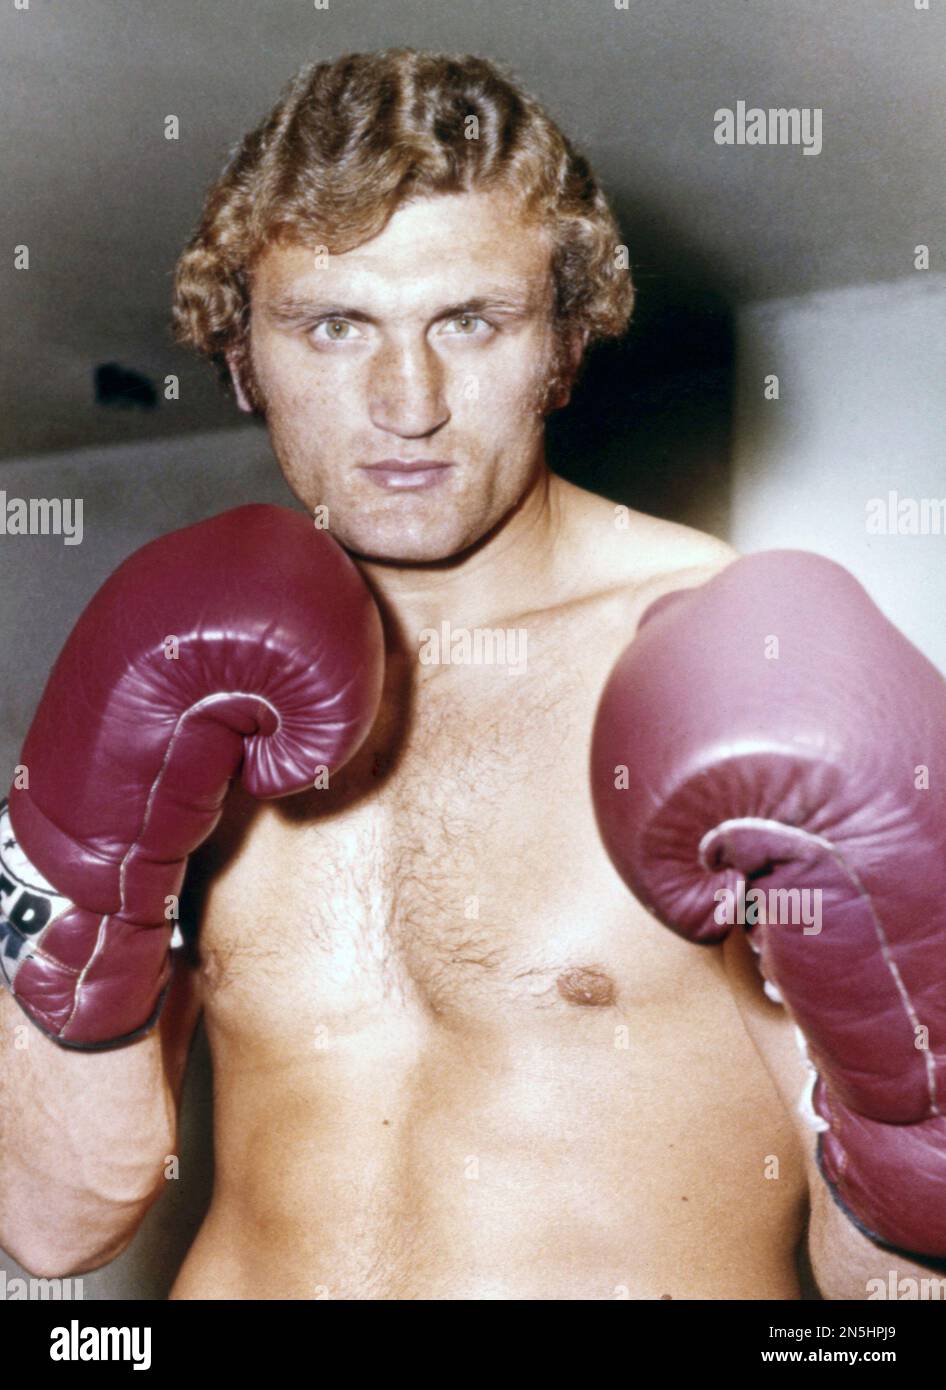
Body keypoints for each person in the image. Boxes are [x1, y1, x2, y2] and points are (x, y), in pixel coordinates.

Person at [2, 47, 944, 1301]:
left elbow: (889, 1299)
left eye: (470, 321)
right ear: (241, 356)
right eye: (333, 325)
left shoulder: (723, 677)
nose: (407, 402)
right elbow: (54, 1223)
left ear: (561, 345)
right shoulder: (180, 689)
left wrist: (915, 1129)